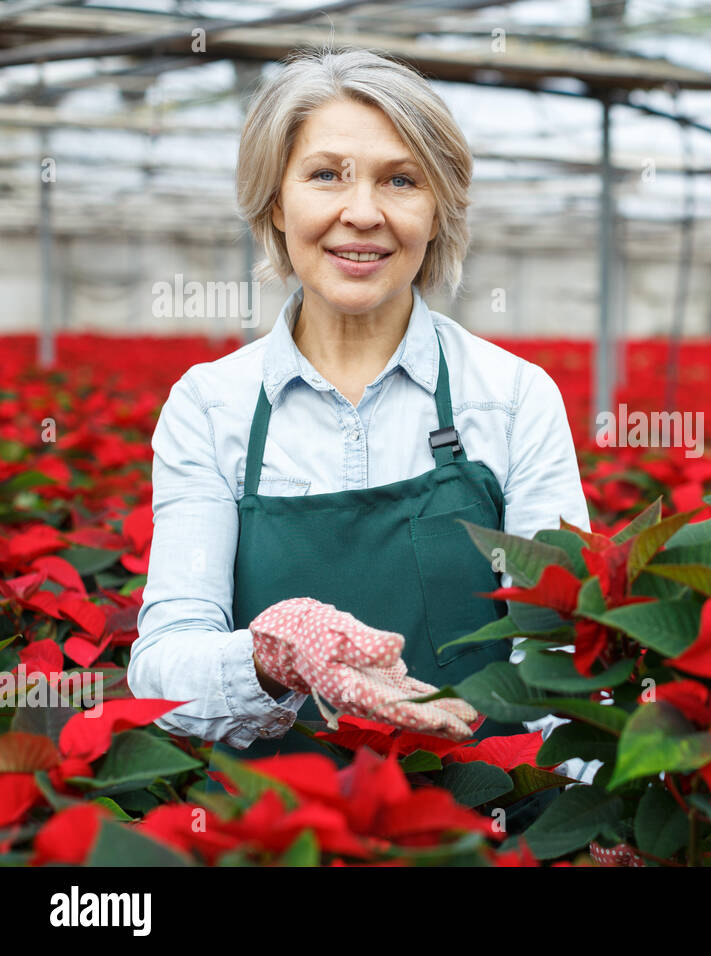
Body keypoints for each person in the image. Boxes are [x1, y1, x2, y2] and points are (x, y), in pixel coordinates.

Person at [126, 47, 595, 831]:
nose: (364, 212)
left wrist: (597, 811)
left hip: (479, 833)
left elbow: (565, 658)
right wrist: (270, 655)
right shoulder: (211, 407)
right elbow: (162, 671)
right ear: (275, 203)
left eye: (400, 180)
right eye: (326, 174)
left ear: (438, 209)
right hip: (281, 836)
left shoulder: (512, 399)